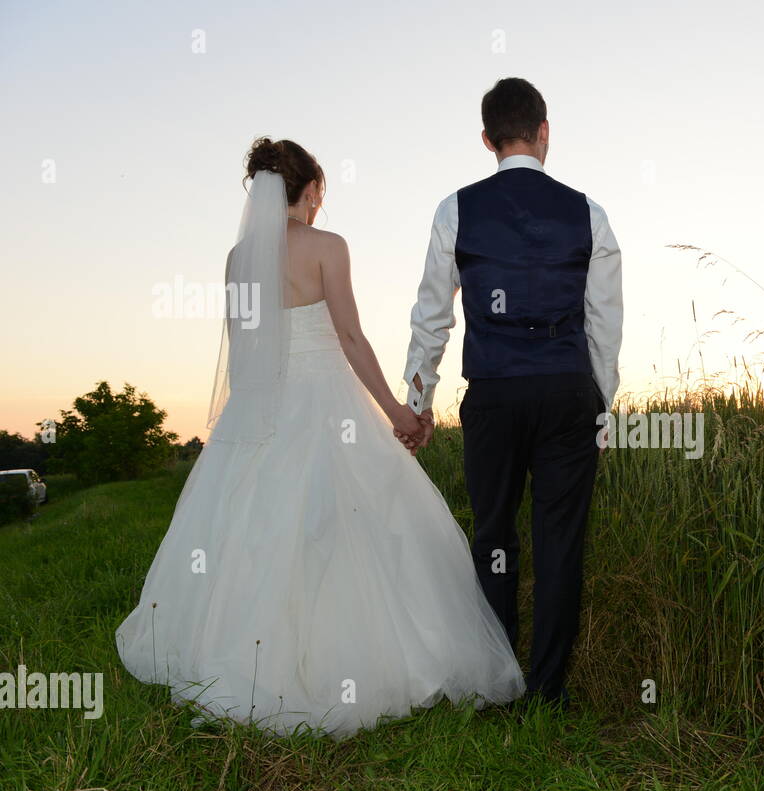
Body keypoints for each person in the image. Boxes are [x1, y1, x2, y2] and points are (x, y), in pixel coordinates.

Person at [115, 137, 524, 737]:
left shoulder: (237, 260)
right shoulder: (328, 247)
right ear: (309, 191)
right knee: (351, 523)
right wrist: (395, 411)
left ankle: (248, 654)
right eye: (317, 194)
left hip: (259, 406)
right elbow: (352, 338)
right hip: (328, 401)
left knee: (254, 528)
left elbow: (244, 345)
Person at [402, 78, 624, 710]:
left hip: (494, 393)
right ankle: (547, 689)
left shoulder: (456, 209)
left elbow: (431, 317)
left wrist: (419, 402)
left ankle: (498, 686)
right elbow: (605, 322)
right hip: (565, 391)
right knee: (560, 541)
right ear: (544, 130)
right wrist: (600, 405)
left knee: (494, 537)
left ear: (487, 139)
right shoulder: (589, 213)